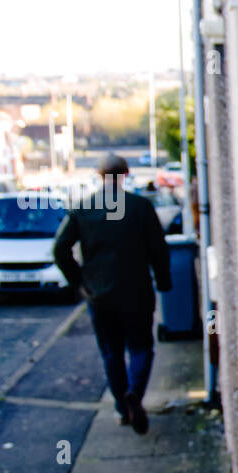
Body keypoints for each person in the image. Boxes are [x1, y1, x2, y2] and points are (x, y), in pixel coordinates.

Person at [53, 155, 171, 434]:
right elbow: (158, 249)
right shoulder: (141, 207)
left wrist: (78, 282)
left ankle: (121, 406)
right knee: (141, 347)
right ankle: (135, 393)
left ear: (99, 175)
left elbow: (60, 250)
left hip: (99, 294)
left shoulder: (83, 209)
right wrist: (164, 281)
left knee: (111, 352)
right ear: (126, 175)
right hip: (137, 293)